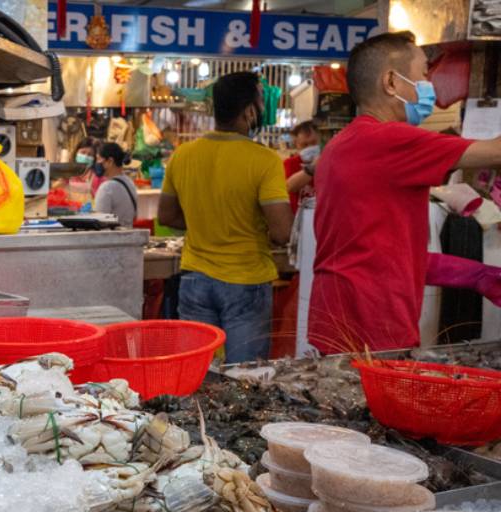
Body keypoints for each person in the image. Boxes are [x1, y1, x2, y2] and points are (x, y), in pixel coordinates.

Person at [310, 31, 501, 354]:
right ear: (391, 82)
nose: (430, 86)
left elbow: (381, 255)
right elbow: (496, 152)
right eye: (424, 74)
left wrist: (476, 275)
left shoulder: (343, 144)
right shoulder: (389, 140)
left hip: (340, 320)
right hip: (373, 326)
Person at [157, 71, 293, 362]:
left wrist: (205, 222)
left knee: (198, 371)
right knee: (243, 376)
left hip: (195, 280)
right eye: (261, 102)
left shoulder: (183, 155)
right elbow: (282, 232)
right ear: (249, 111)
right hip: (246, 281)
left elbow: (166, 216)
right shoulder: (265, 160)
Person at [91, 142, 138, 227]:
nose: (97, 163)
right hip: (128, 232)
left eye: (98, 159)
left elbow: (99, 221)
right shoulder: (129, 182)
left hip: (112, 235)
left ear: (110, 161)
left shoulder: (107, 188)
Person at [282, 121, 320, 213]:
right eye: (305, 145)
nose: (310, 147)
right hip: (298, 216)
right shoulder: (290, 163)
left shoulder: (327, 162)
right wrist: (313, 167)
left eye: (313, 143)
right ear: (296, 144)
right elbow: (290, 187)